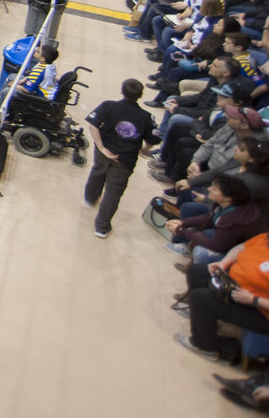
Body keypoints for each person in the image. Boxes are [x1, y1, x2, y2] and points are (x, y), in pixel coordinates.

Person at [174, 232, 269, 361]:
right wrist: (224, 263)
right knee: (196, 271)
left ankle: (205, 347)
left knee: (200, 298)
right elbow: (241, 248)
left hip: (259, 309)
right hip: (235, 286)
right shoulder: (263, 238)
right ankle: (204, 320)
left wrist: (253, 299)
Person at [83, 79, 157, 239]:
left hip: (104, 151)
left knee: (97, 171)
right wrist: (144, 150)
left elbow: (93, 125)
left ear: (122, 91)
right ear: (141, 95)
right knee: (114, 191)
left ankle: (90, 198)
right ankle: (102, 227)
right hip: (125, 159)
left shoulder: (108, 106)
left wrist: (102, 148)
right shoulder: (146, 117)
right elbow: (153, 139)